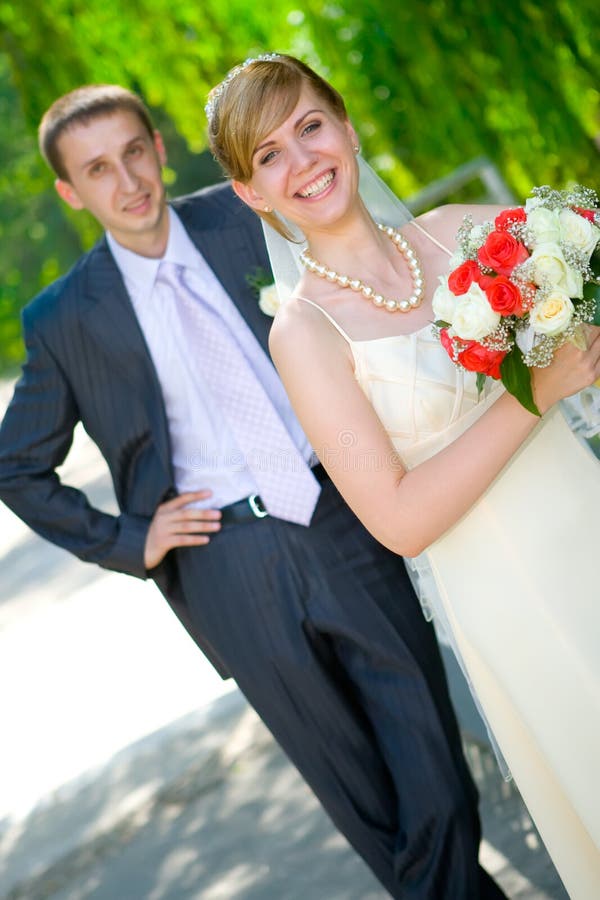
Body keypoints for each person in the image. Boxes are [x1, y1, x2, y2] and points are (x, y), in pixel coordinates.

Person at [0, 85, 508, 899]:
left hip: (342, 515)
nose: (126, 180)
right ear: (71, 191)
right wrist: (130, 539)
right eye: (97, 169)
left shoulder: (251, 217)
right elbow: (15, 465)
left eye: (135, 151)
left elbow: (373, 280)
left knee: (435, 775)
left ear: (159, 149)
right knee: (364, 801)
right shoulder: (65, 319)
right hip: (225, 568)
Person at [207, 53, 600, 898]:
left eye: (310, 126)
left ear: (346, 128)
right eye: (268, 154)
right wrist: (539, 391)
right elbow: (398, 521)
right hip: (516, 593)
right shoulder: (306, 336)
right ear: (251, 195)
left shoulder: (462, 228)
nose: (302, 159)